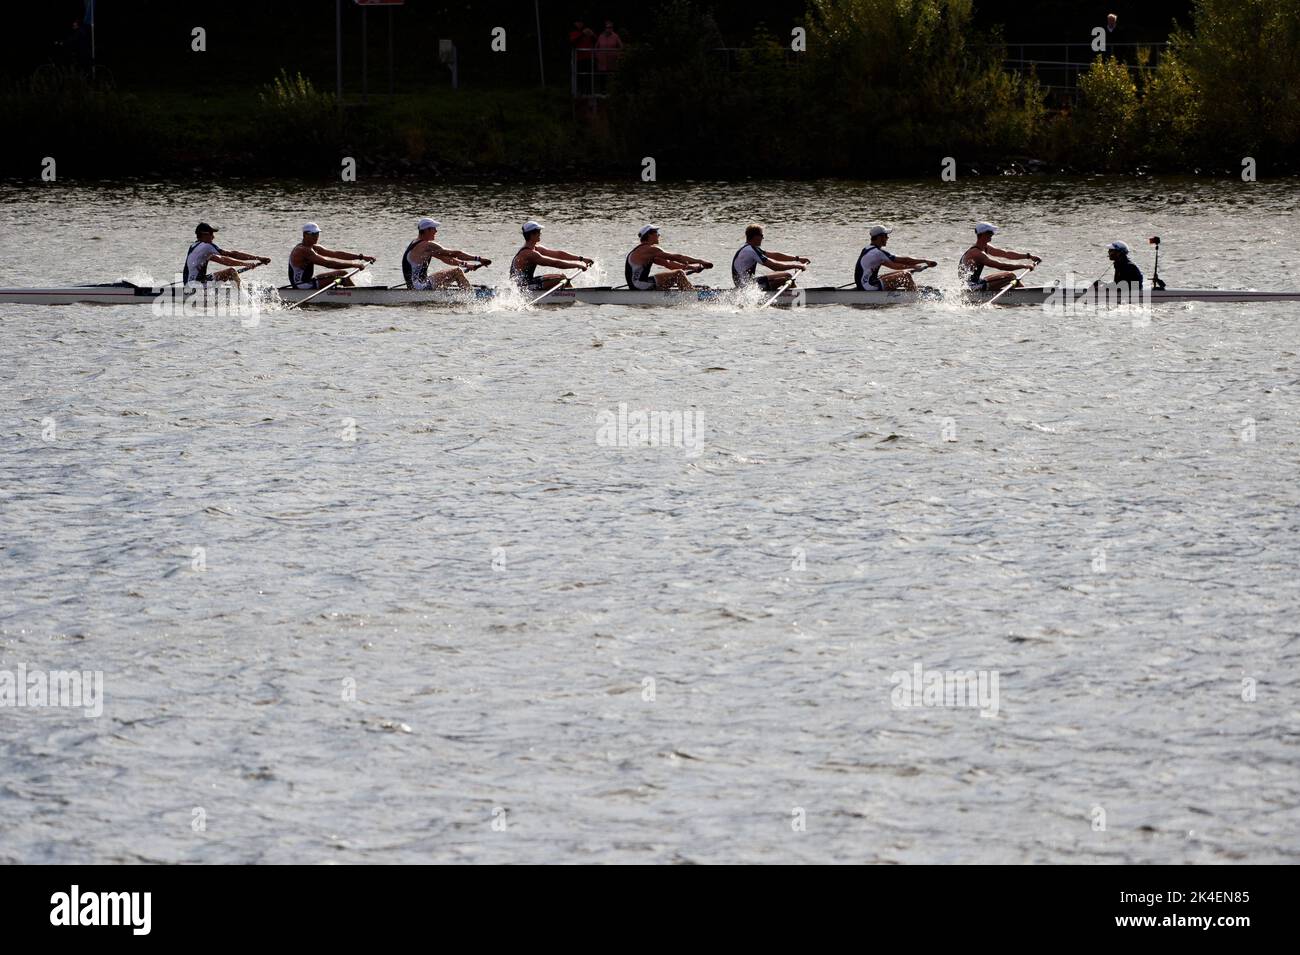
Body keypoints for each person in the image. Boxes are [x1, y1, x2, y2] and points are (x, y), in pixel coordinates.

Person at [401, 218, 492, 290]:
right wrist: (479, 259)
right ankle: (471, 297)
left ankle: (463, 294)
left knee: (456, 272)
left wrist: (467, 265)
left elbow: (445, 258)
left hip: (416, 286)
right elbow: (455, 254)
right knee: (457, 272)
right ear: (427, 230)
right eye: (434, 229)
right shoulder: (425, 245)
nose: (436, 231)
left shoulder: (416, 243)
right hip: (420, 287)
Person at [287, 222, 375, 289]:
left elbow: (336, 254)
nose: (316, 236)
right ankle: (356, 296)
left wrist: (361, 257)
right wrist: (353, 265)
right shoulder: (302, 250)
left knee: (343, 273)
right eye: (313, 234)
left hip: (308, 281)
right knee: (341, 278)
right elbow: (328, 264)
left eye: (317, 234)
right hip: (301, 285)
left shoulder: (314, 247)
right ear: (305, 235)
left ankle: (349, 293)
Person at [959, 222, 1041, 293]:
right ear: (984, 234)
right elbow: (1001, 266)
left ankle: (1024, 293)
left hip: (977, 282)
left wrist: (1029, 256)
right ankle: (1026, 295)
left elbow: (1006, 254)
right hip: (971, 288)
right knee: (1010, 276)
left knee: (1011, 277)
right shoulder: (977, 253)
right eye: (990, 233)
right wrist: (1023, 266)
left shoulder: (985, 247)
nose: (992, 234)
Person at [625, 225, 713, 291]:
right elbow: (677, 257)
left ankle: (687, 292)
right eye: (657, 233)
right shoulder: (649, 250)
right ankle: (692, 294)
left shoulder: (647, 252)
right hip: (639, 285)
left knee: (677, 275)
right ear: (650, 235)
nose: (659, 235)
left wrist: (693, 268)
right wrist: (701, 261)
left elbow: (669, 264)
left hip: (640, 284)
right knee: (678, 273)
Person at [509, 221, 592, 291]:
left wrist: (581, 259)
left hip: (529, 282)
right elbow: (555, 263)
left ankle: (567, 296)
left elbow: (559, 254)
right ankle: (574, 297)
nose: (540, 234)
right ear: (532, 235)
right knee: (562, 279)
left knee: (562, 277)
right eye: (538, 232)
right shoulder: (529, 253)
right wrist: (577, 265)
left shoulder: (536, 248)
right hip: (521, 288)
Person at [183, 223, 269, 286]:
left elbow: (221, 259)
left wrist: (252, 261)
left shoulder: (194, 246)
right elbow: (231, 255)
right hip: (196, 286)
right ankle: (240, 296)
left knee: (229, 273)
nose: (213, 237)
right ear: (204, 234)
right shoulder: (206, 246)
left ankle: (236, 290)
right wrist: (252, 261)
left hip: (190, 283)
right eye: (211, 234)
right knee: (231, 271)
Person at [854, 225, 936, 291]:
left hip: (866, 283)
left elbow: (894, 266)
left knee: (904, 272)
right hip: (869, 287)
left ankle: (914, 290)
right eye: (886, 236)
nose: (887, 238)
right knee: (906, 275)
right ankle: (917, 297)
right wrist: (925, 261)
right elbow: (905, 260)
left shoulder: (867, 249)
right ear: (879, 237)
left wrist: (913, 268)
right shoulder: (877, 252)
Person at [731, 224, 809, 291]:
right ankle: (793, 296)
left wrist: (797, 259)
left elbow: (775, 255)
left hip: (748, 282)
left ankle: (792, 293)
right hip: (745, 287)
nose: (763, 238)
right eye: (761, 235)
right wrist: (796, 266)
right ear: (755, 236)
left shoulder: (751, 248)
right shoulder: (750, 250)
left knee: (787, 275)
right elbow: (774, 266)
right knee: (784, 280)